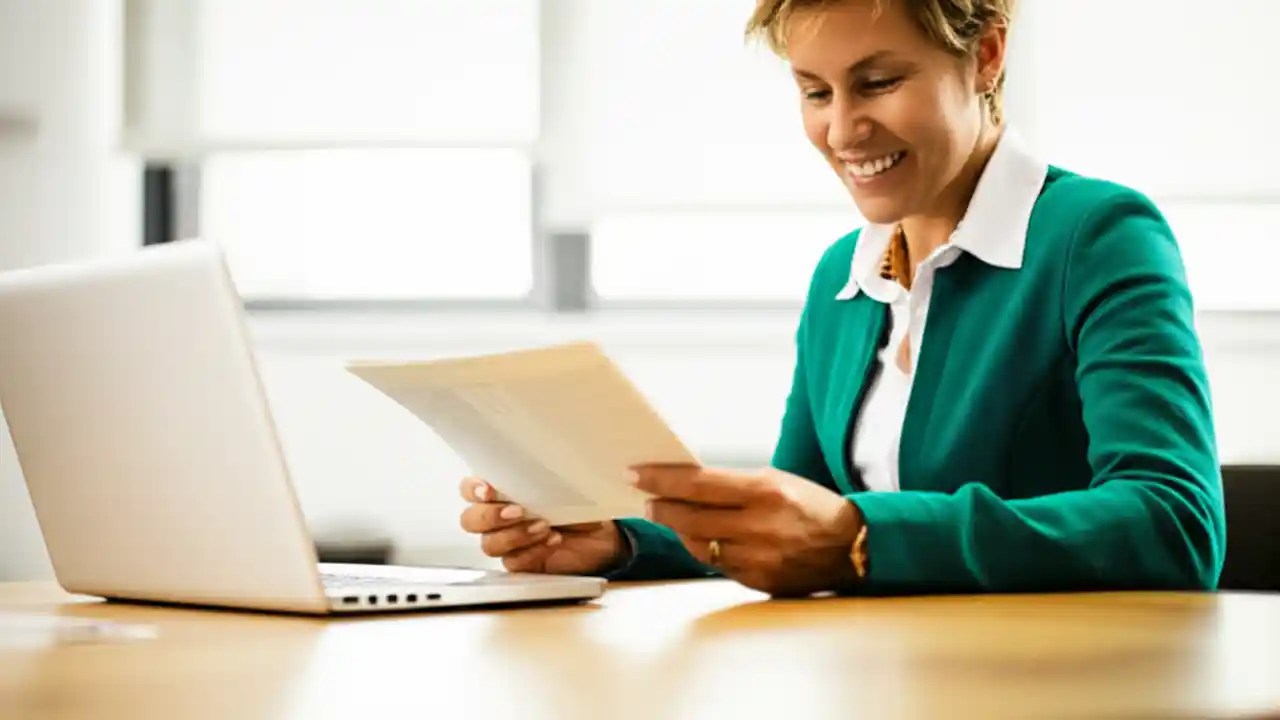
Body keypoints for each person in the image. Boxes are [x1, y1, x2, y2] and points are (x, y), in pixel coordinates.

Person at [458, 0, 1227, 596]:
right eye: (814, 91)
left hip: (1052, 684)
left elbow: (1174, 523)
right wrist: (620, 542)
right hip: (881, 677)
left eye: (879, 82)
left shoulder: (1095, 235)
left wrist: (863, 536)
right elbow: (798, 515)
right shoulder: (843, 277)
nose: (842, 129)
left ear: (986, 54)